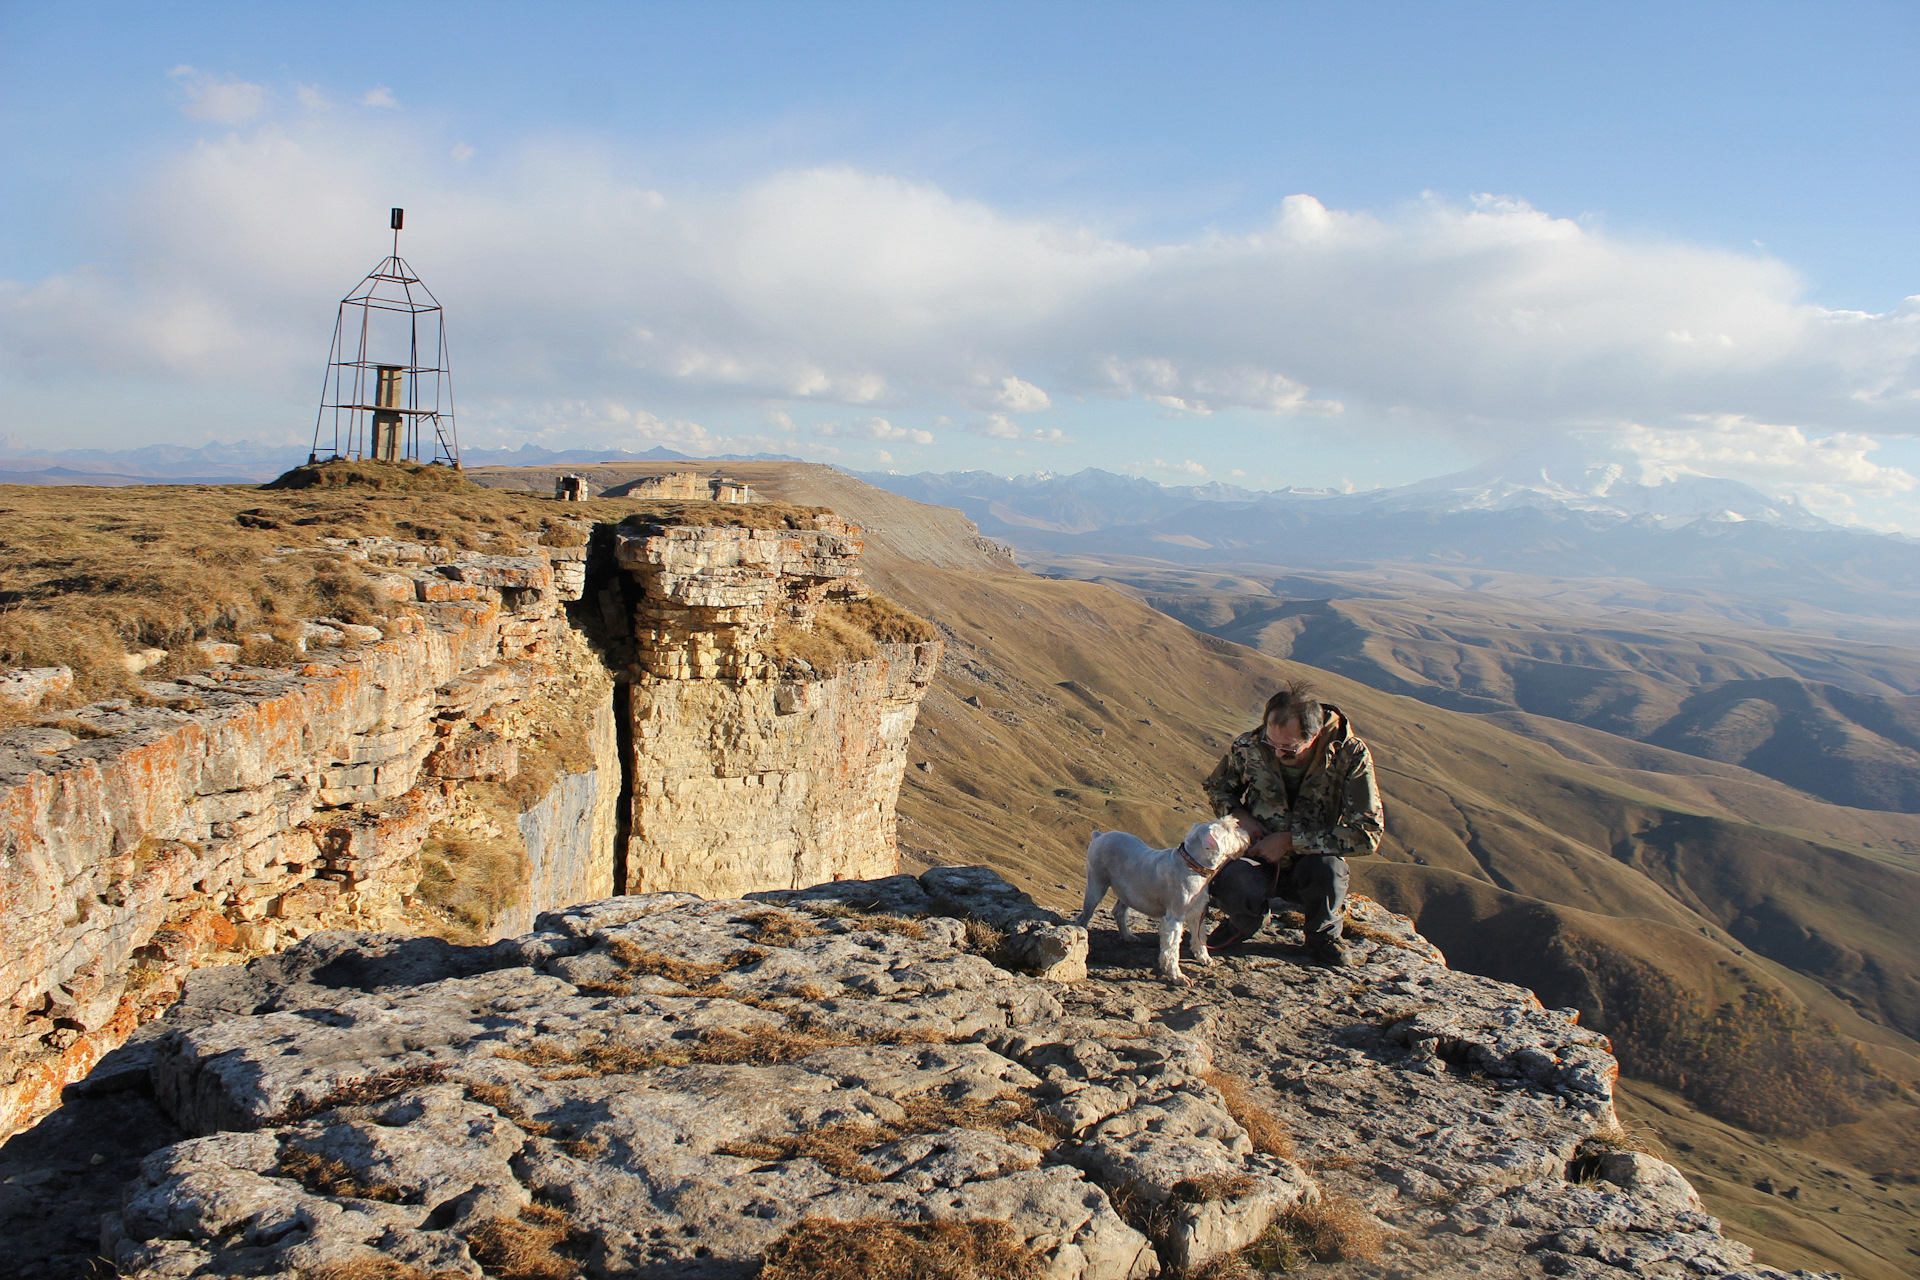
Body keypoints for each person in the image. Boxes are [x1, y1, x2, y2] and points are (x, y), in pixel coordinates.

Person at [1202, 679, 1384, 966]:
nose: (1277, 753)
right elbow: (1217, 788)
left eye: (1288, 747)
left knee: (1328, 870)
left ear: (1314, 736)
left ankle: (1322, 936)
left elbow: (1367, 833)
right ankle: (1243, 921)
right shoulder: (1250, 746)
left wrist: (1290, 842)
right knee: (1231, 877)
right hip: (1257, 853)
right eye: (1271, 743)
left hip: (1311, 861)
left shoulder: (1350, 755)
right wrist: (1240, 816)